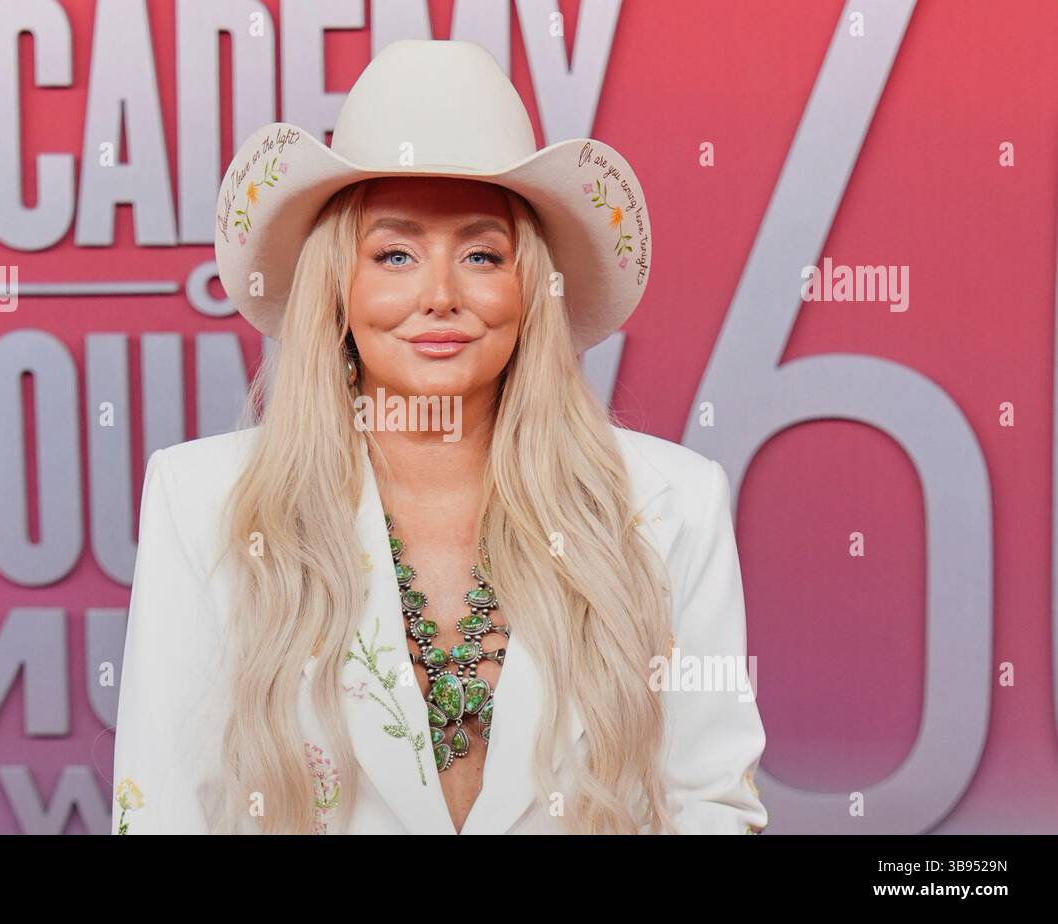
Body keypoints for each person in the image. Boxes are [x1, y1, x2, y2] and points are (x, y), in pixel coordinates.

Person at [110, 38, 769, 835]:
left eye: (483, 254)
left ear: (532, 289)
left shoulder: (674, 505)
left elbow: (712, 804)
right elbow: (163, 811)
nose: (441, 296)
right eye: (394, 253)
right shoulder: (203, 501)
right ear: (337, 289)